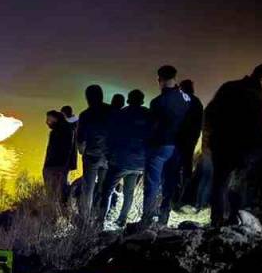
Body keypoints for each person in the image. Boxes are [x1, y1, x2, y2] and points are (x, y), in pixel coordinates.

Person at [205, 63, 262, 226]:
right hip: (244, 149)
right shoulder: (257, 97)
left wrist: (211, 137)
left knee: (219, 182)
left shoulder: (229, 87)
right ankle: (235, 220)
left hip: (220, 144)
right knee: (239, 184)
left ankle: (216, 220)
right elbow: (261, 127)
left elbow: (210, 113)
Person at [142, 65, 192, 226]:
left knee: (152, 184)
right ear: (175, 78)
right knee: (169, 183)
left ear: (159, 80)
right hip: (177, 147)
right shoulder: (186, 99)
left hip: (160, 146)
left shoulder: (158, 102)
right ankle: (164, 217)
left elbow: (153, 126)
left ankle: (148, 218)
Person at [100, 89, 150, 228]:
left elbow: (111, 136)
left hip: (120, 160)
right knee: (129, 192)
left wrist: (109, 155)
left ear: (129, 100)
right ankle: (122, 220)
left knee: (107, 190)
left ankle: (100, 221)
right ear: (142, 100)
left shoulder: (121, 115)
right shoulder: (148, 115)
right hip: (140, 162)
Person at [75, 85, 115, 225]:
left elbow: (80, 139)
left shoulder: (86, 114)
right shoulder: (112, 111)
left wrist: (82, 150)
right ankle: (101, 219)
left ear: (88, 97)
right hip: (109, 156)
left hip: (92, 155)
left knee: (88, 189)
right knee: (105, 189)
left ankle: (85, 220)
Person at [175, 79, 204, 208]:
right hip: (190, 140)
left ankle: (174, 198)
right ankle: (184, 198)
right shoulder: (197, 102)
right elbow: (199, 124)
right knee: (186, 168)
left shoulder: (180, 101)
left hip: (178, 140)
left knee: (174, 168)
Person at [42, 110, 76, 203]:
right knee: (61, 187)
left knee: (53, 189)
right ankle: (60, 205)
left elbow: (57, 150)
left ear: (56, 119)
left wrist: (49, 165)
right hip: (62, 165)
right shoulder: (68, 129)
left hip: (55, 166)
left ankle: (54, 205)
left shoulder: (58, 131)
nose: (47, 122)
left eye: (49, 119)